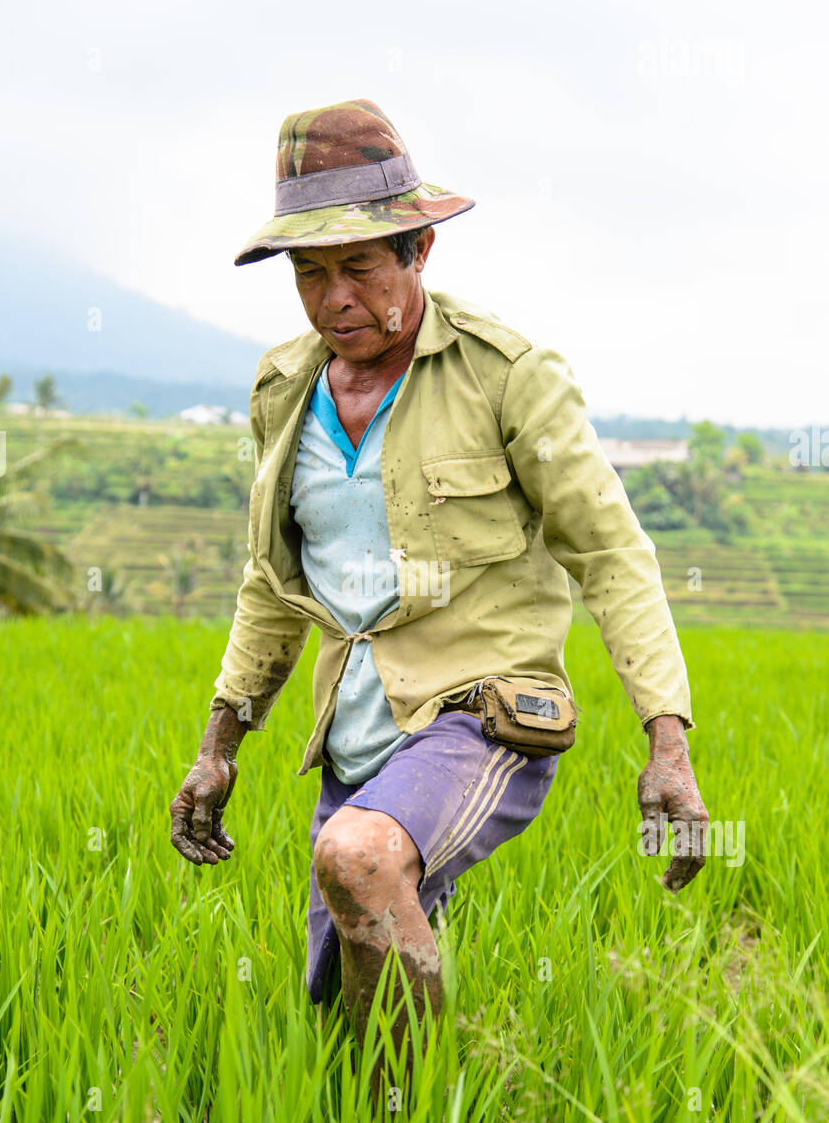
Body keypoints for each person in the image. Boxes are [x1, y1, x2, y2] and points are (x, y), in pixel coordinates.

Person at [169, 97, 708, 1056]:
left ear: (419, 251)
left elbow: (612, 555)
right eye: (309, 273)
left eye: (359, 267)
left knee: (359, 856)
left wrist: (666, 742)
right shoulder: (282, 388)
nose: (334, 298)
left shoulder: (507, 374)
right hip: (356, 730)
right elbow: (270, 583)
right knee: (338, 1007)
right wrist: (221, 742)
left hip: (484, 710)